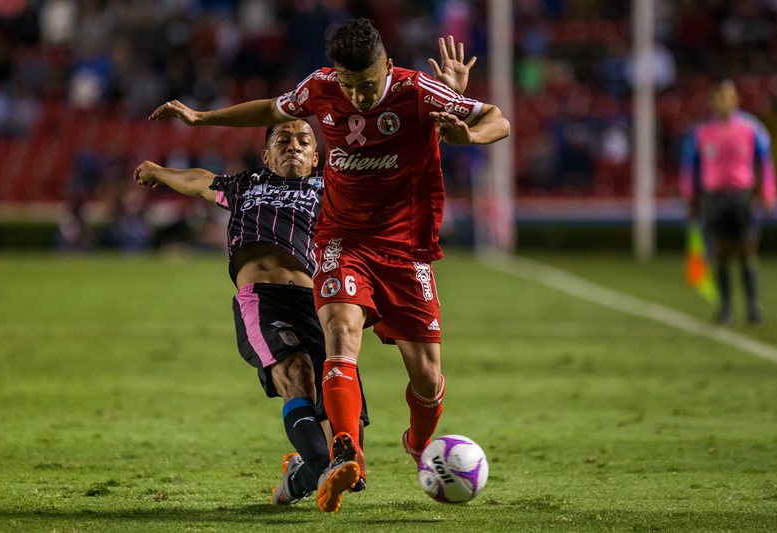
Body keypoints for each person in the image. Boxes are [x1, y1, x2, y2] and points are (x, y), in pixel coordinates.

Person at [149, 20, 510, 513]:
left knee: (427, 377)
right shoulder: (319, 88)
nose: (357, 97)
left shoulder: (418, 90)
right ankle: (345, 451)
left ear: (386, 66)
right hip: (341, 240)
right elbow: (271, 108)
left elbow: (498, 118)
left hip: (405, 249)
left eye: (367, 85)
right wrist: (202, 118)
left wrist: (469, 137)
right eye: (348, 84)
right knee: (341, 336)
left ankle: (414, 443)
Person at [133, 120, 370, 506]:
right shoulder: (246, 184)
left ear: (315, 157)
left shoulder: (332, 188)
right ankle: (318, 468)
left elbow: (385, 177)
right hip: (262, 297)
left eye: (304, 141)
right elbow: (198, 180)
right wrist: (159, 172)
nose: (294, 146)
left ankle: (304, 475)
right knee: (298, 372)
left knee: (344, 424)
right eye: (283, 140)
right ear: (266, 155)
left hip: (319, 304)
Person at [680, 78, 777, 326]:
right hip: (714, 198)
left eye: (727, 96)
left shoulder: (752, 129)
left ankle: (753, 306)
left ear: (736, 99)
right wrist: (690, 196)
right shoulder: (700, 133)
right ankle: (725, 307)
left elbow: (765, 163)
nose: (723, 101)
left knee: (747, 251)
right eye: (718, 97)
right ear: (712, 101)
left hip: (741, 196)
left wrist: (768, 192)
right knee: (720, 254)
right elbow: (690, 167)